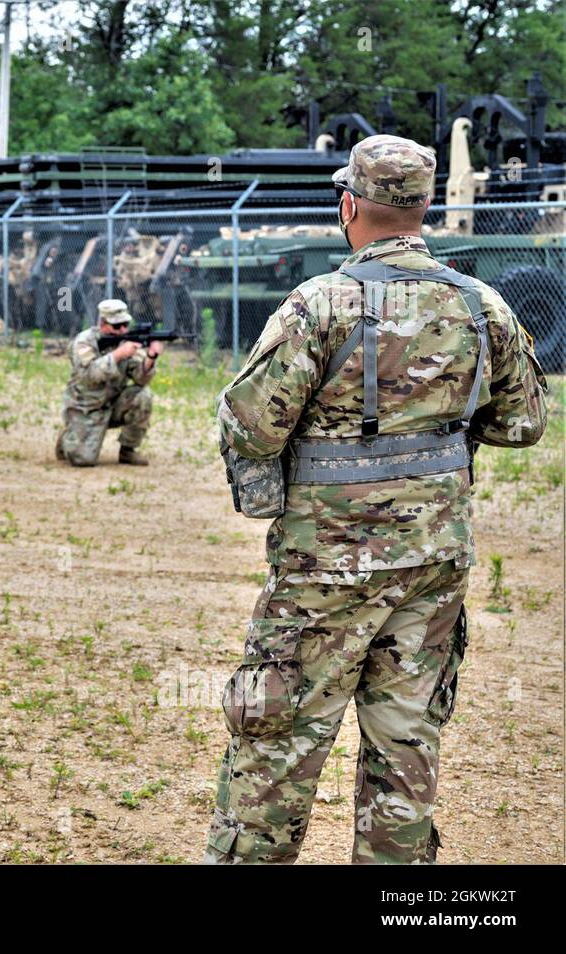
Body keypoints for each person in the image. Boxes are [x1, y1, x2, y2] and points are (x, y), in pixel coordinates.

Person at [206, 134, 548, 864]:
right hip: (434, 559)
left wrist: (277, 486)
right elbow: (524, 424)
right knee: (406, 741)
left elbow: (249, 421)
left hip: (327, 567)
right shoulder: (481, 302)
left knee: (279, 734)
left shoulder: (319, 304)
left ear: (350, 205)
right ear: (424, 207)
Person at [55, 298, 161, 466]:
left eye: (125, 324)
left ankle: (128, 450)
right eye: (117, 326)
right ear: (102, 323)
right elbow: (91, 375)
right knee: (83, 460)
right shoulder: (84, 342)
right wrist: (118, 354)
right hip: (86, 408)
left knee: (143, 396)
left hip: (113, 404)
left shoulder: (127, 342)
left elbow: (141, 378)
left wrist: (151, 357)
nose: (123, 330)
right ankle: (69, 435)